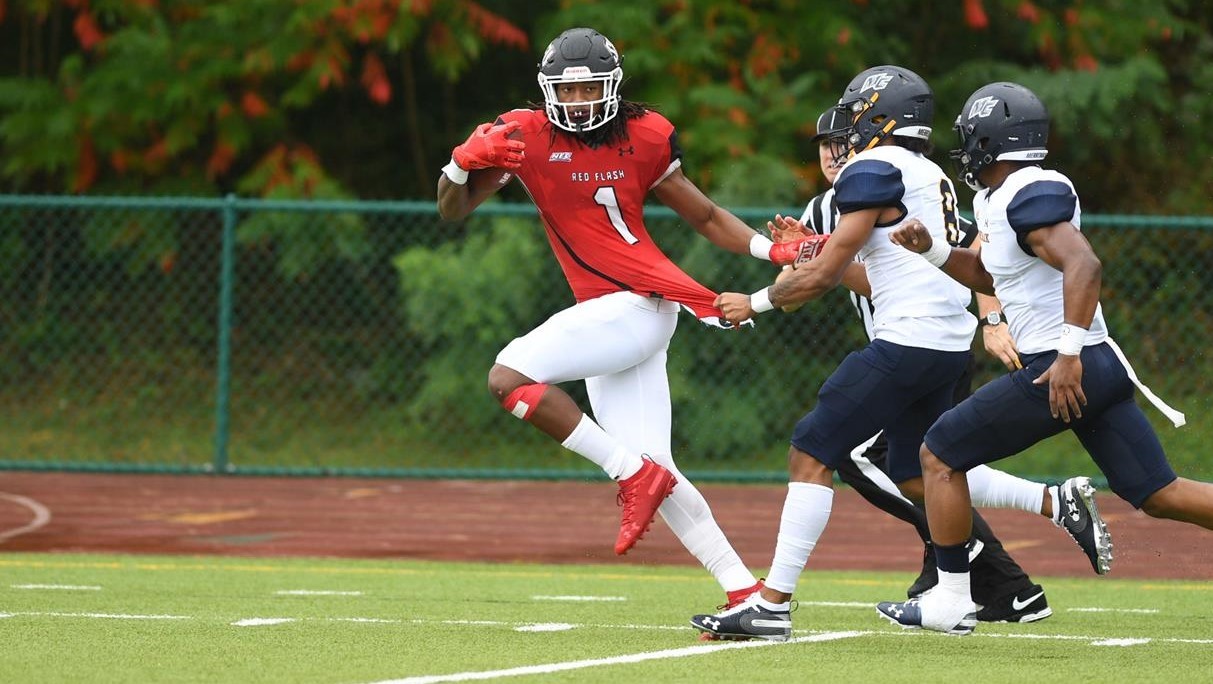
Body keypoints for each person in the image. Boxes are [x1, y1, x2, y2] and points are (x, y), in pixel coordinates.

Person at [689, 66, 1107, 642]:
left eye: (856, 110)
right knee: (915, 470)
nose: (847, 124)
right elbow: (873, 264)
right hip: (946, 345)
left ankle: (771, 604)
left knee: (812, 449)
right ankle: (960, 590)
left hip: (906, 340)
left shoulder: (873, 166)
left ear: (878, 115)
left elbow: (827, 273)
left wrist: (754, 302)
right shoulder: (928, 172)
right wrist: (816, 252)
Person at [436, 28, 822, 609]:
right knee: (660, 469)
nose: (579, 102)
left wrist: (771, 252)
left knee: (506, 377)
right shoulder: (525, 135)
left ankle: (628, 473)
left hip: (637, 304)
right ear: (547, 94)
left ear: (613, 86)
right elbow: (452, 208)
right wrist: (461, 164)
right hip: (612, 316)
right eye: (567, 93)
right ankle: (745, 592)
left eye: (591, 88)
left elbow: (707, 215)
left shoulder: (644, 136)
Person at [877, 81, 1211, 635]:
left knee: (935, 454)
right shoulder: (999, 199)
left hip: (1065, 365)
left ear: (988, 139)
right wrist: (932, 250)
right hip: (1090, 364)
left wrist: (1067, 356)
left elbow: (1084, 266)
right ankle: (954, 597)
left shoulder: (1030, 189)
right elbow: (992, 277)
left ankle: (952, 600)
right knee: (1159, 493)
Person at [792, 108, 1081, 623]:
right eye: (823, 144)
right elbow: (855, 275)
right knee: (931, 460)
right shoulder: (829, 205)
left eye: (842, 140)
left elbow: (979, 248)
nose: (834, 152)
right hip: (914, 345)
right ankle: (1014, 557)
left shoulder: (898, 180)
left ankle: (968, 556)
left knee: (869, 455)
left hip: (924, 346)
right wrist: (807, 256)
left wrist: (993, 317)